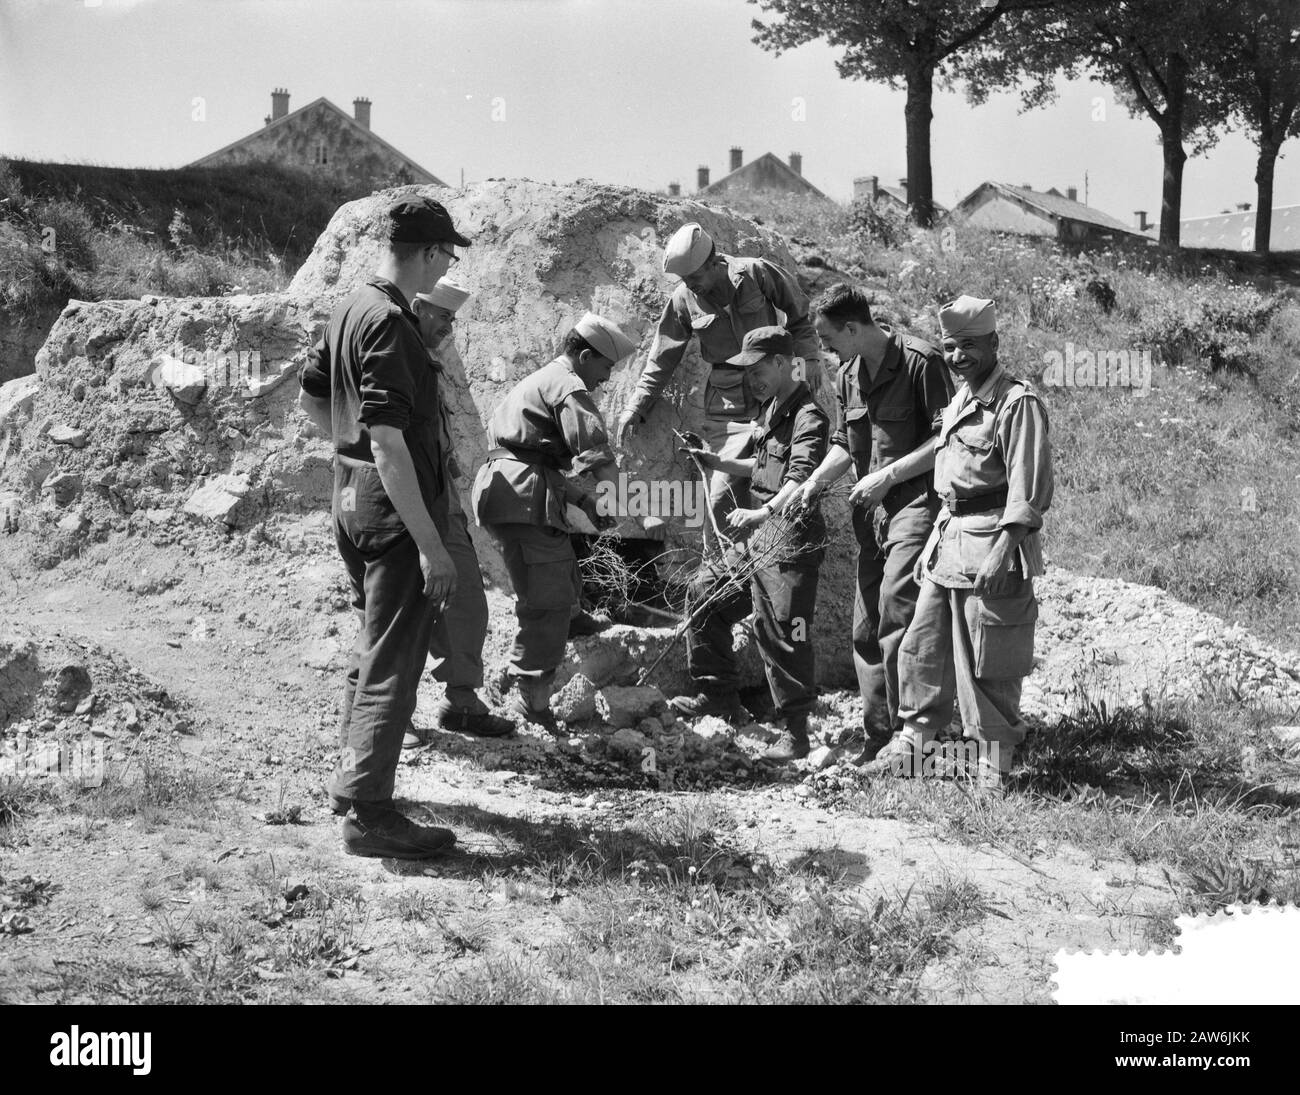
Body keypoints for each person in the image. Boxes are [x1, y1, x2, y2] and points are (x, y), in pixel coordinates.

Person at [297, 195, 470, 859]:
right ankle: (369, 815)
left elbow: (313, 397)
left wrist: (352, 453)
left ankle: (351, 787)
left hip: (352, 499)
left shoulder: (350, 307)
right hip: (394, 511)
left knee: (373, 648)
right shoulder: (393, 323)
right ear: (426, 252)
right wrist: (432, 547)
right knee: (393, 662)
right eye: (447, 253)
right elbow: (390, 441)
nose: (448, 265)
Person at [887, 295, 1053, 789]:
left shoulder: (1016, 403)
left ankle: (991, 769)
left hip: (991, 546)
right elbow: (951, 479)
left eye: (968, 346)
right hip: (949, 542)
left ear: (994, 343)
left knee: (989, 659)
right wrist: (932, 544)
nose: (957, 356)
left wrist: (1004, 551)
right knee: (923, 648)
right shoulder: (960, 399)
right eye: (949, 347)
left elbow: (1028, 490)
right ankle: (914, 750)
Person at [790, 284, 953, 764]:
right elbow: (844, 441)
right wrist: (813, 482)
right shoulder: (847, 374)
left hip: (916, 506)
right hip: (871, 516)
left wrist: (889, 475)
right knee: (866, 628)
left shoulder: (921, 362)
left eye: (828, 339)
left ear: (852, 328)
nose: (825, 350)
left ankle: (912, 737)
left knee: (899, 612)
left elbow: (947, 438)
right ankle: (879, 736)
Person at [669, 326, 829, 762]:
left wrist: (763, 512)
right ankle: (718, 695)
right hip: (760, 538)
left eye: (758, 371)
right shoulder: (773, 408)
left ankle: (795, 732)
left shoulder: (808, 417)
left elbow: (801, 477)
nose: (751, 380)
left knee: (784, 628)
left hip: (789, 538)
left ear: (781, 362)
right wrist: (715, 460)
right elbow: (759, 464)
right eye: (747, 373)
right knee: (705, 592)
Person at [472, 313, 637, 731]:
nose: (606, 379)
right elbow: (595, 452)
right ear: (585, 357)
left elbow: (533, 460)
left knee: (559, 568)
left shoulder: (541, 380)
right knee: (546, 599)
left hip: (515, 488)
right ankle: (531, 699)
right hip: (521, 495)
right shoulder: (568, 385)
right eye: (606, 367)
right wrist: (632, 505)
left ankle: (571, 619)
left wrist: (584, 500)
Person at [616, 223, 823, 538]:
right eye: (685, 280)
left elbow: (799, 317)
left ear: (714, 262)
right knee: (721, 502)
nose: (691, 285)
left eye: (694, 277)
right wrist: (638, 404)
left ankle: (774, 561)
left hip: (776, 395)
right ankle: (724, 567)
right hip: (730, 408)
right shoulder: (684, 299)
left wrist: (808, 364)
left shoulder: (756, 273)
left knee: (783, 487)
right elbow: (662, 357)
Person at [406, 277, 514, 744]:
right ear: (419, 308)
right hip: (407, 503)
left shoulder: (426, 360)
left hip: (442, 501)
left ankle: (462, 702)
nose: (449, 327)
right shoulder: (394, 354)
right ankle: (392, 714)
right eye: (444, 316)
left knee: (468, 598)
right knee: (403, 609)